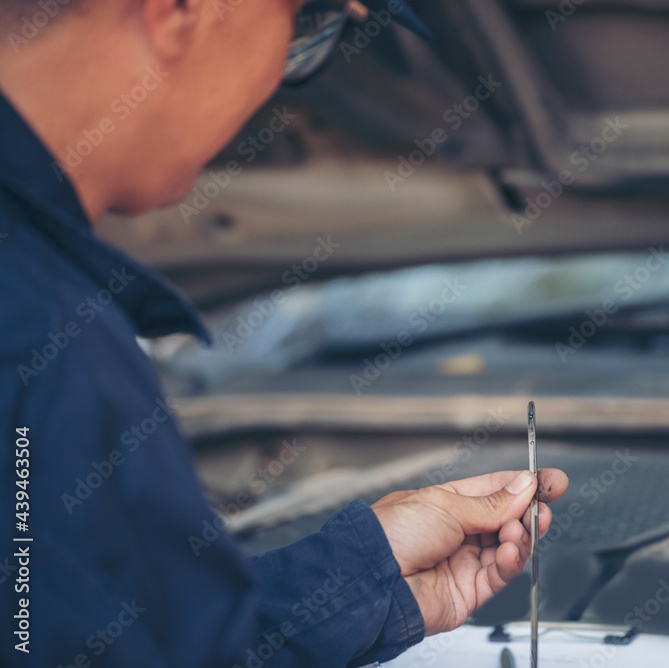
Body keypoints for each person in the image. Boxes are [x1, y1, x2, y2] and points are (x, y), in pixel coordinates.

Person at [0, 0, 569, 664]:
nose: (280, 78)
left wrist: (364, 579)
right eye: (309, 25)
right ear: (180, 11)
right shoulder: (42, 340)